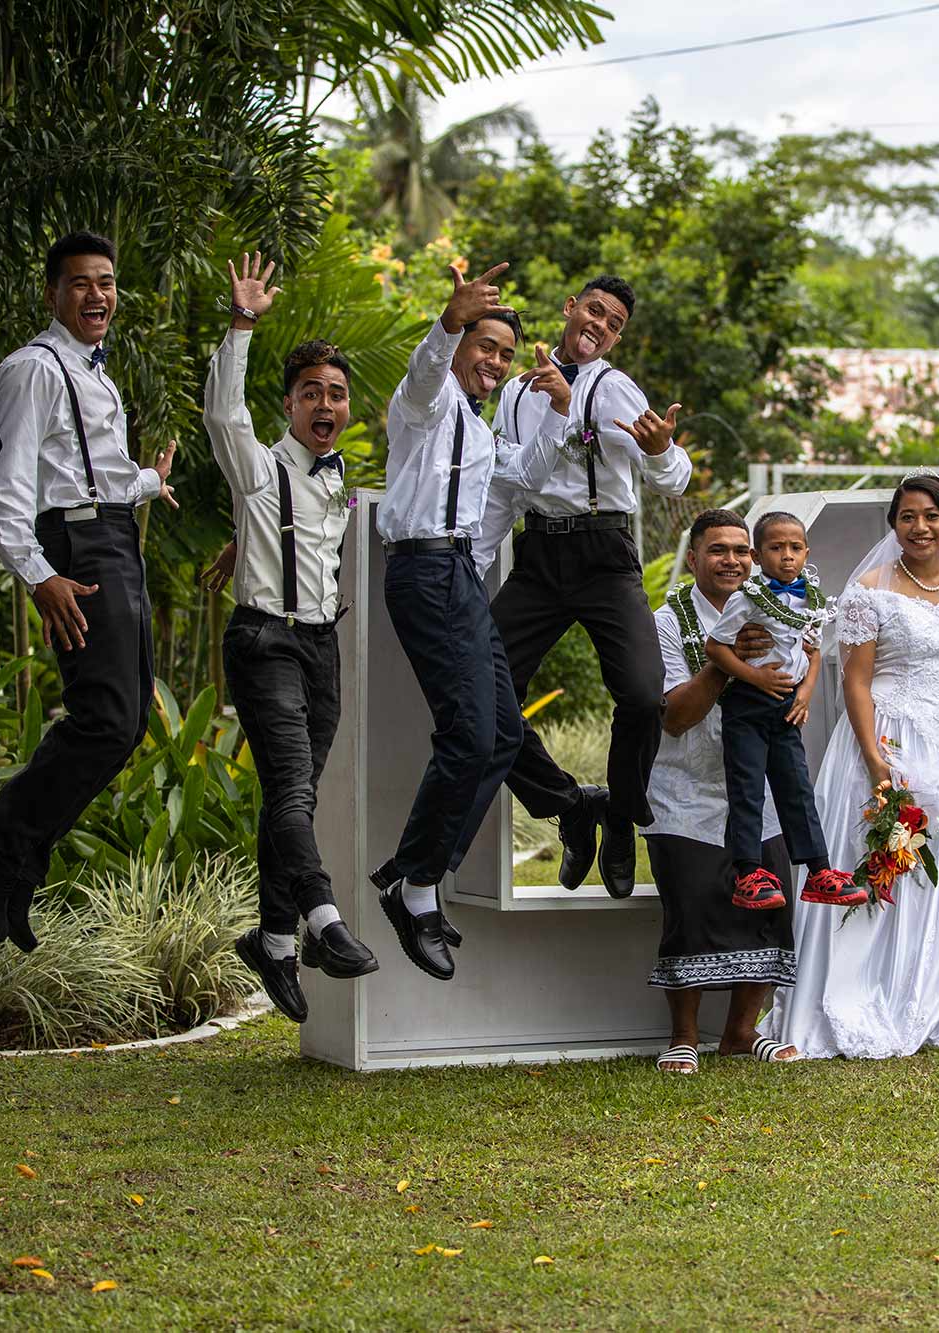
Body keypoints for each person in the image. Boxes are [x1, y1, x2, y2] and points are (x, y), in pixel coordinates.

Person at [0, 229, 179, 950]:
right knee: (106, 719)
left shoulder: (96, 372)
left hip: (113, 536)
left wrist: (148, 482)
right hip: (76, 546)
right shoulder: (33, 368)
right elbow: (6, 487)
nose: (98, 294)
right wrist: (38, 575)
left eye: (107, 282)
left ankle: (18, 858)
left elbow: (97, 475)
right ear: (53, 293)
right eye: (82, 282)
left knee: (127, 722)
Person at [370, 259, 574, 981]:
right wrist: (449, 320)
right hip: (425, 570)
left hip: (462, 574)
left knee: (503, 734)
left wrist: (560, 409)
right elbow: (425, 372)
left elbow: (532, 474)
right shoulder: (423, 405)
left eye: (506, 354)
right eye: (485, 345)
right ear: (460, 343)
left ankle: (413, 873)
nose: (496, 361)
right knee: (468, 735)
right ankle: (416, 885)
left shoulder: (480, 434)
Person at [198, 252, 381, 1021]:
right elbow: (221, 416)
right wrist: (242, 323)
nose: (325, 403)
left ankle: (271, 942)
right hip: (265, 641)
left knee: (290, 798)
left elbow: (309, 537)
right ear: (290, 405)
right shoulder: (259, 466)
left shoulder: (337, 482)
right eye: (312, 392)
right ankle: (323, 921)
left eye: (336, 393)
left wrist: (243, 541)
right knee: (294, 789)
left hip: (320, 649)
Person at [767, 475, 939, 1060]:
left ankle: (924, 999)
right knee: (874, 859)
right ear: (894, 524)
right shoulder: (868, 592)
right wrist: (875, 758)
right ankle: (852, 991)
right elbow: (856, 681)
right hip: (887, 737)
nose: (920, 527)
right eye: (907, 517)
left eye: (931, 516)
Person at [476, 276, 692, 899]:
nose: (600, 325)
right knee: (482, 693)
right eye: (594, 310)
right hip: (539, 554)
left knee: (643, 694)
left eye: (614, 323)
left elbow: (671, 478)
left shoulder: (613, 388)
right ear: (571, 309)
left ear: (616, 337)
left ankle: (620, 818)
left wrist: (662, 451)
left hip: (605, 554)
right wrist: (472, 563)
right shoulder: (516, 391)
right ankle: (570, 807)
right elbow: (506, 487)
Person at [645, 510, 803, 1072]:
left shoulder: (777, 607)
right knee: (691, 907)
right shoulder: (665, 623)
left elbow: (802, 668)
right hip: (684, 789)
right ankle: (684, 1036)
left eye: (741, 550)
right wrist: (727, 659)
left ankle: (741, 1032)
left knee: (769, 906)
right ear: (693, 559)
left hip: (755, 790)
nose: (731, 560)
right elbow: (674, 717)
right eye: (718, 550)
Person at [702, 512, 865, 911]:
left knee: (797, 787)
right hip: (747, 703)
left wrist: (805, 694)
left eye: (795, 548)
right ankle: (748, 873)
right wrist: (754, 677)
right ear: (757, 556)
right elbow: (715, 647)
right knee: (748, 789)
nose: (787, 556)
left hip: (787, 704)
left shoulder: (812, 600)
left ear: (807, 552)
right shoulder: (747, 598)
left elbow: (813, 652)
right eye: (776, 548)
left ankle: (819, 871)